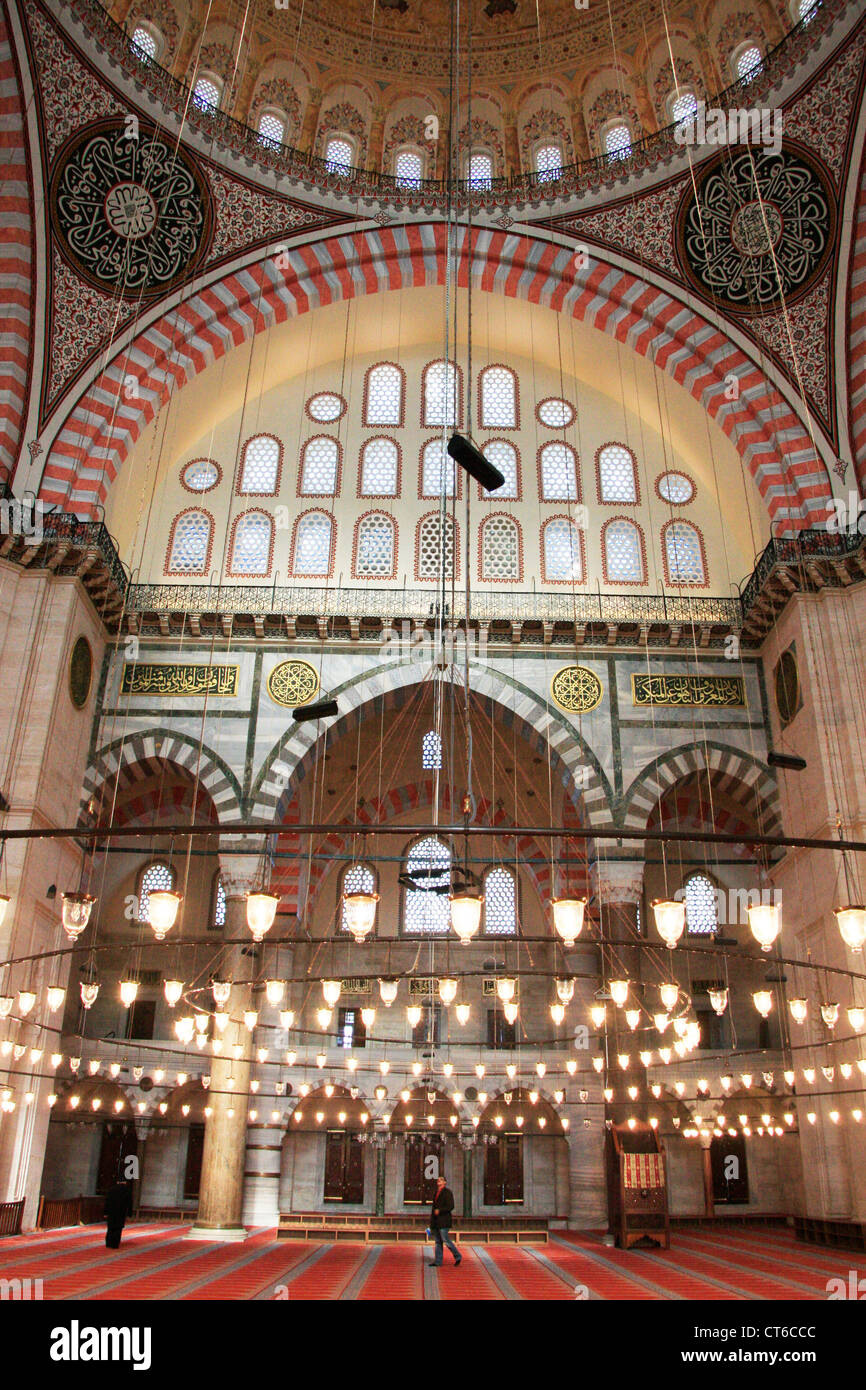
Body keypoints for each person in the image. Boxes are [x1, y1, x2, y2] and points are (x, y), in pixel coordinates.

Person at [428, 1174, 461, 1267]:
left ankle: (458, 1256)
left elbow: (451, 1206)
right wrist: (431, 1223)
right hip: (436, 1221)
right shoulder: (436, 1193)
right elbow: (433, 1209)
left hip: (444, 1220)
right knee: (438, 1242)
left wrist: (440, 1210)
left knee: (445, 1240)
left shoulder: (447, 1192)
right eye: (438, 1179)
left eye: (441, 1180)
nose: (438, 1181)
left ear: (445, 1182)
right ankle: (438, 1261)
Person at [104, 1179, 131, 1250]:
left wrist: (105, 1212)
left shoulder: (111, 1189)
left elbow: (107, 1202)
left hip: (111, 1212)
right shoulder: (126, 1190)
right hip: (121, 1212)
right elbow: (129, 1203)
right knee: (118, 1228)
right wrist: (129, 1214)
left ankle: (108, 1243)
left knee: (110, 1227)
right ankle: (115, 1244)